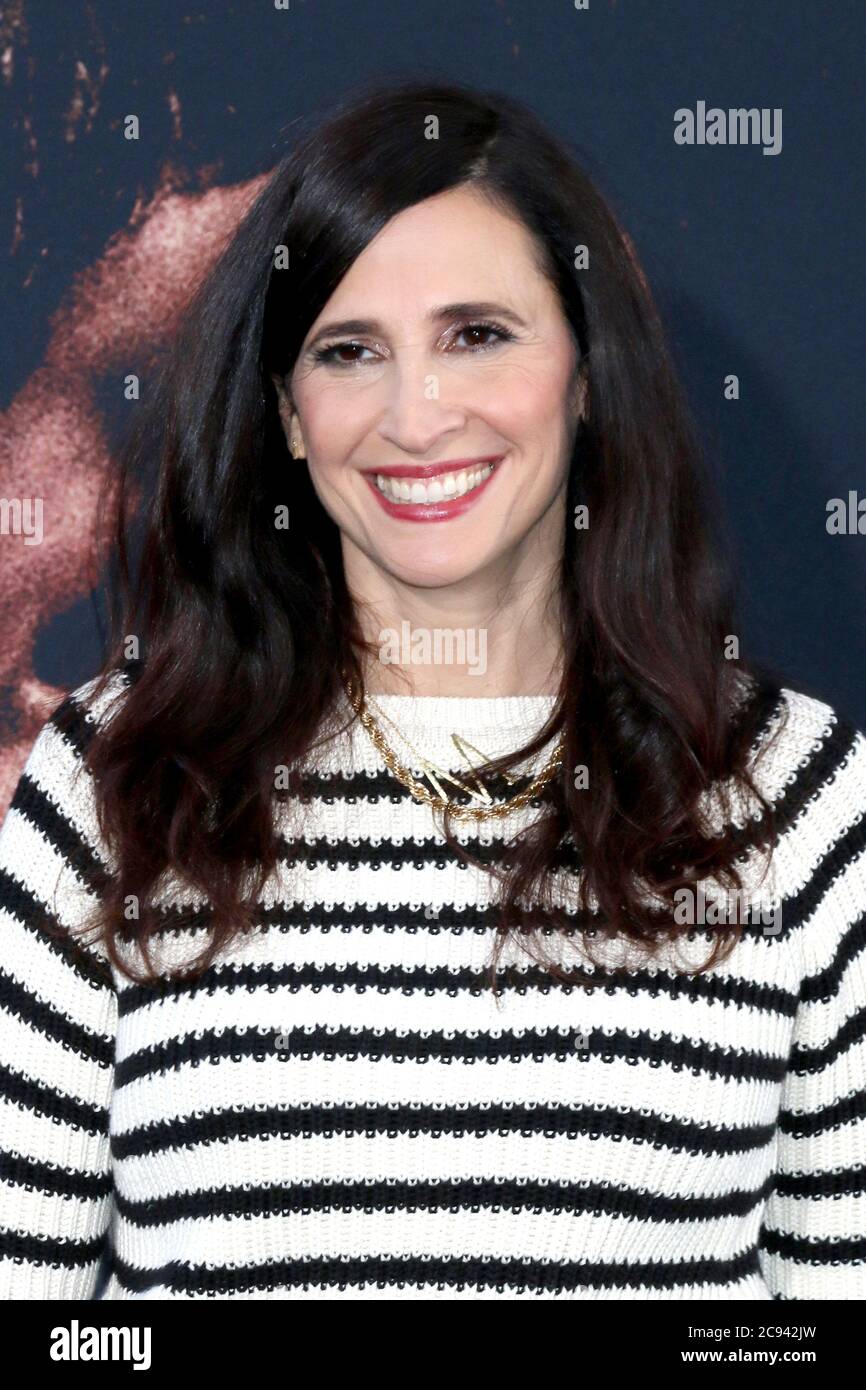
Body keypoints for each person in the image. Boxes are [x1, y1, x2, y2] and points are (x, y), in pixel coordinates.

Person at [0, 79, 864, 1301]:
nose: (417, 417)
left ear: (582, 372)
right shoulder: (112, 779)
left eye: (477, 335)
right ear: (290, 417)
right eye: (348, 352)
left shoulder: (796, 794)